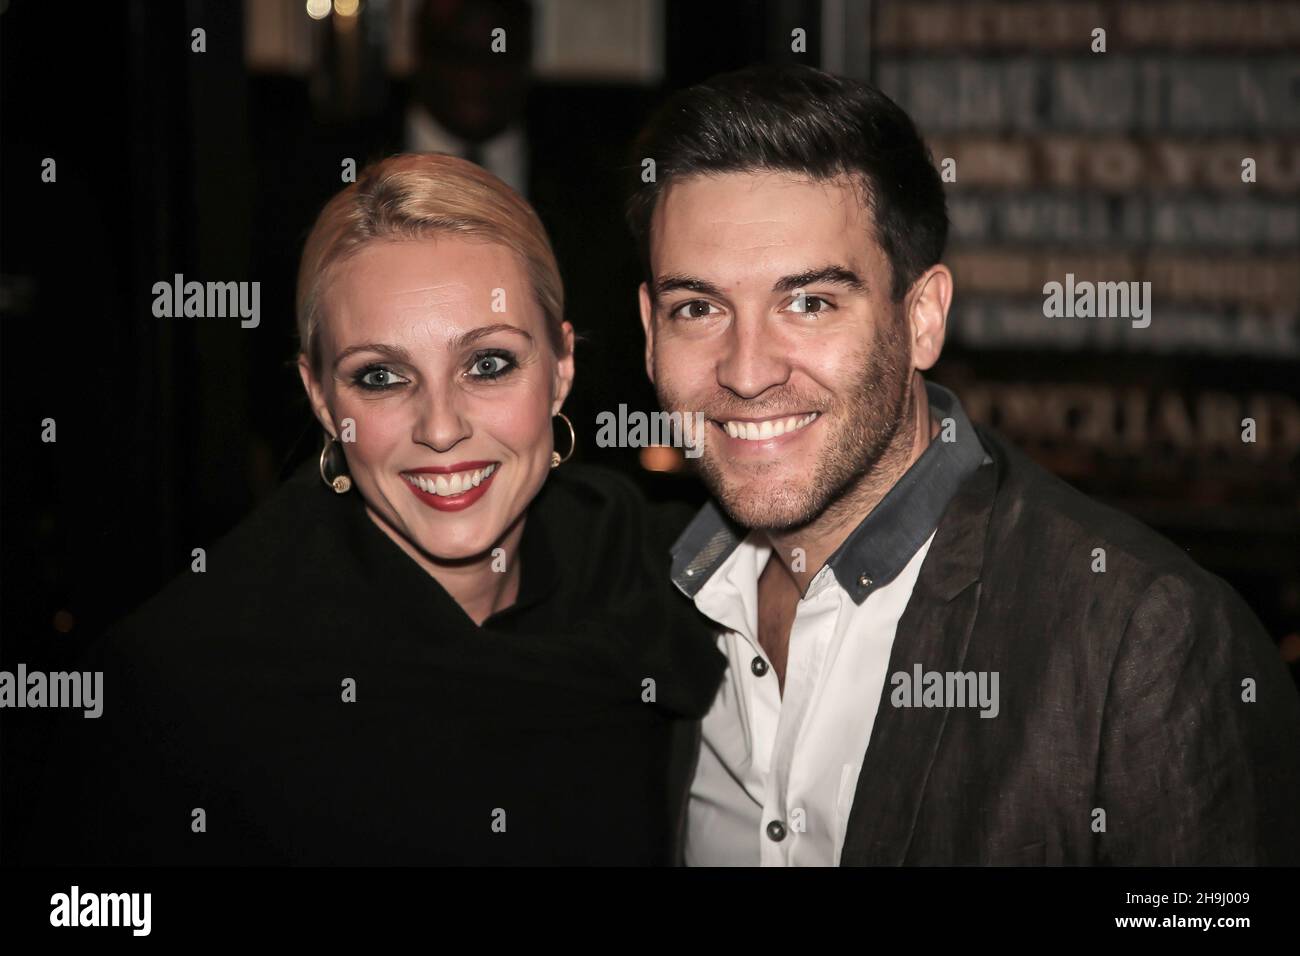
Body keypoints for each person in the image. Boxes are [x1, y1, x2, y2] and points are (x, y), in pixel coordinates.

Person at [624, 64, 1300, 866]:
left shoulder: (1139, 639)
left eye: (810, 302)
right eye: (697, 309)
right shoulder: (637, 591)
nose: (745, 370)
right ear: (647, 327)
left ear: (922, 319)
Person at [28, 153, 725, 865]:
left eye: (488, 364)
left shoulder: (648, 568)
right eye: (381, 377)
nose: (442, 427)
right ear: (322, 398)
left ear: (561, 368)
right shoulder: (186, 681)